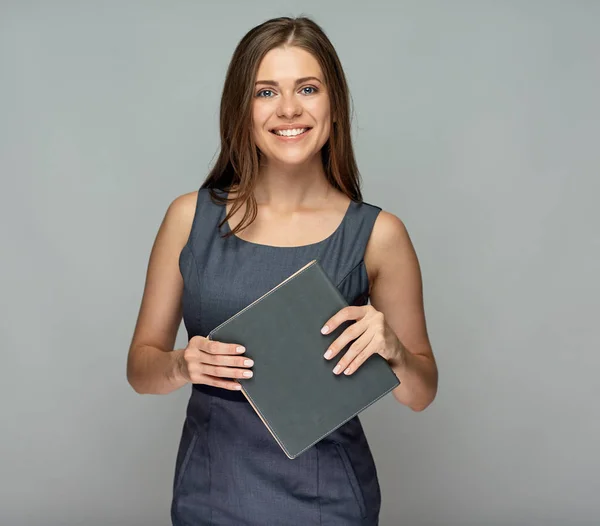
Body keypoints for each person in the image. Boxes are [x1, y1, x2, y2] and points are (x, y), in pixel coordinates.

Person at [126, 16, 438, 526]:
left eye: (308, 88)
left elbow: (421, 393)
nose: (289, 109)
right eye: (266, 91)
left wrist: (396, 352)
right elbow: (141, 368)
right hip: (209, 495)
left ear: (333, 104)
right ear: (241, 111)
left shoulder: (380, 235)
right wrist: (182, 364)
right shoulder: (189, 217)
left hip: (329, 502)